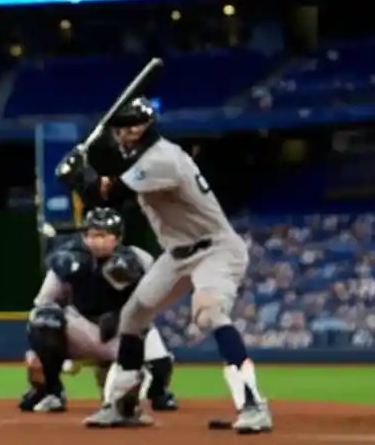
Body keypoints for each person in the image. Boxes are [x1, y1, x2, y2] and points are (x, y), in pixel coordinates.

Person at [56, 97, 273, 433]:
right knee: (132, 317)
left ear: (142, 127)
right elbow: (108, 187)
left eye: (126, 127)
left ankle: (254, 404)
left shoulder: (161, 160)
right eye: (118, 128)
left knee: (208, 312)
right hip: (177, 254)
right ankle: (123, 406)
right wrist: (83, 176)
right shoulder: (145, 160)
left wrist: (80, 175)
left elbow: (109, 196)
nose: (121, 134)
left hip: (215, 249)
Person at [19, 207, 177, 417]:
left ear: (117, 237)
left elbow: (154, 299)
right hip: (82, 328)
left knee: (159, 370)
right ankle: (51, 392)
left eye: (104, 235)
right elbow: (44, 302)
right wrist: (42, 353)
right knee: (44, 320)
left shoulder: (140, 259)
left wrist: (124, 315)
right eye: (92, 235)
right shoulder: (68, 260)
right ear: (84, 237)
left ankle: (156, 391)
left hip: (124, 332)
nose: (98, 241)